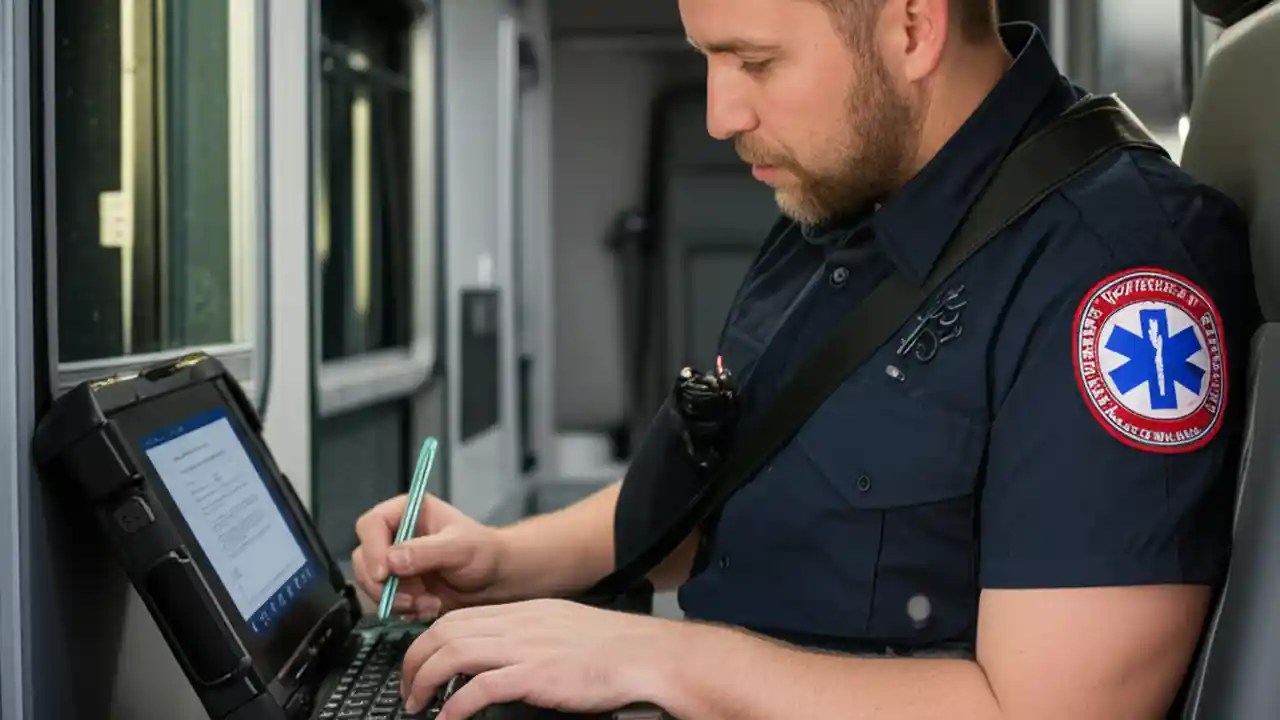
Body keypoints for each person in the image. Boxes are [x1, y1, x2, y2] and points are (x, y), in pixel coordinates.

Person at [352, 0, 1261, 717]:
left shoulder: (1116, 272)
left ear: (911, 26)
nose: (718, 114)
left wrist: (655, 657)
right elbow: (733, 504)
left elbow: (1048, 712)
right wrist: (499, 561)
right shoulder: (842, 197)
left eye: (754, 61)